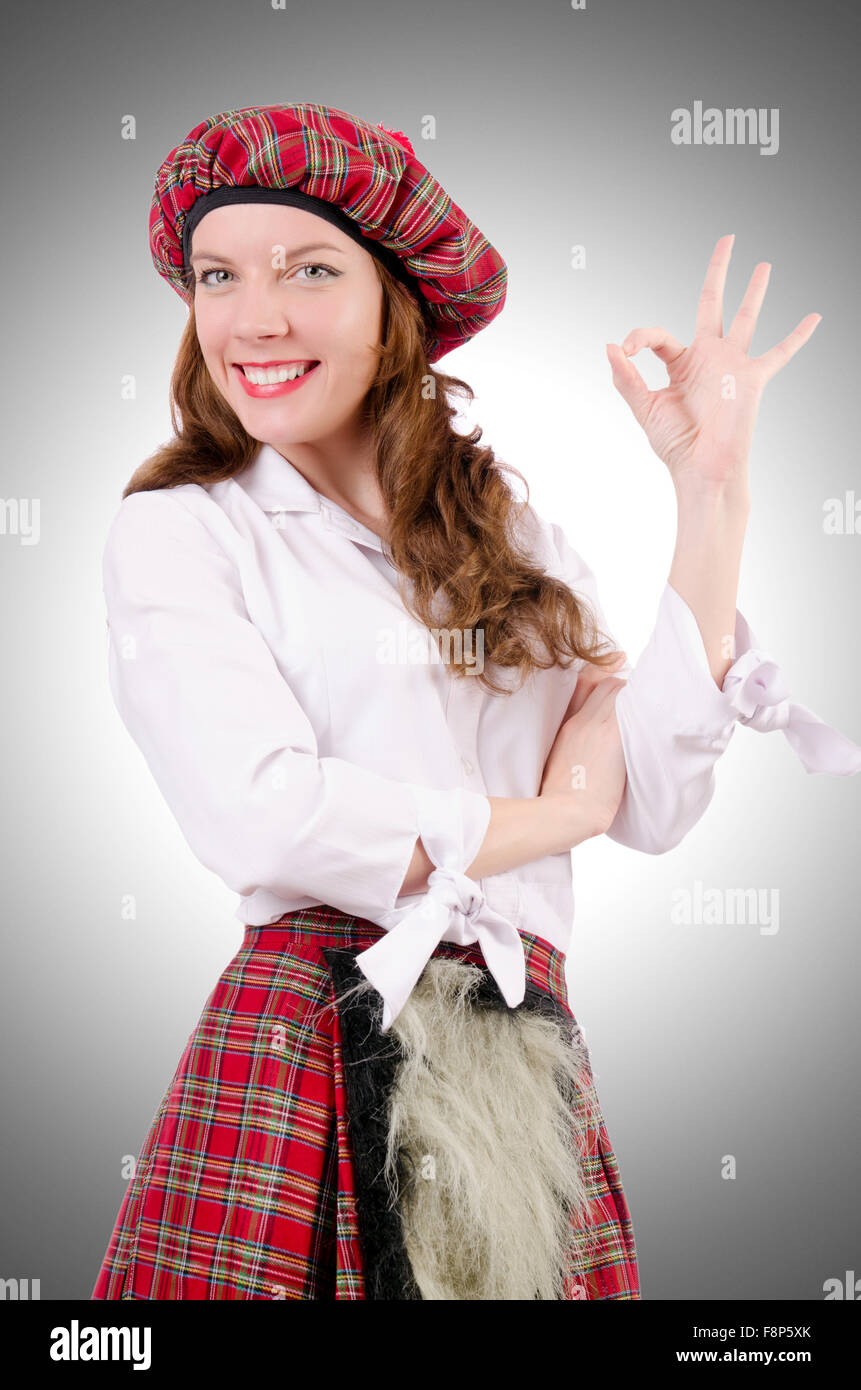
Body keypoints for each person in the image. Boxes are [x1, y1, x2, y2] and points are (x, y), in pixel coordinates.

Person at [90, 103, 861, 1302]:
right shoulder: (183, 530)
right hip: (311, 1039)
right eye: (218, 275)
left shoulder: (505, 532)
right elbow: (269, 817)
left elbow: (647, 798)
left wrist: (713, 490)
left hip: (520, 1039)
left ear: (396, 301)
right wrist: (549, 817)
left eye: (309, 269)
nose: (255, 317)